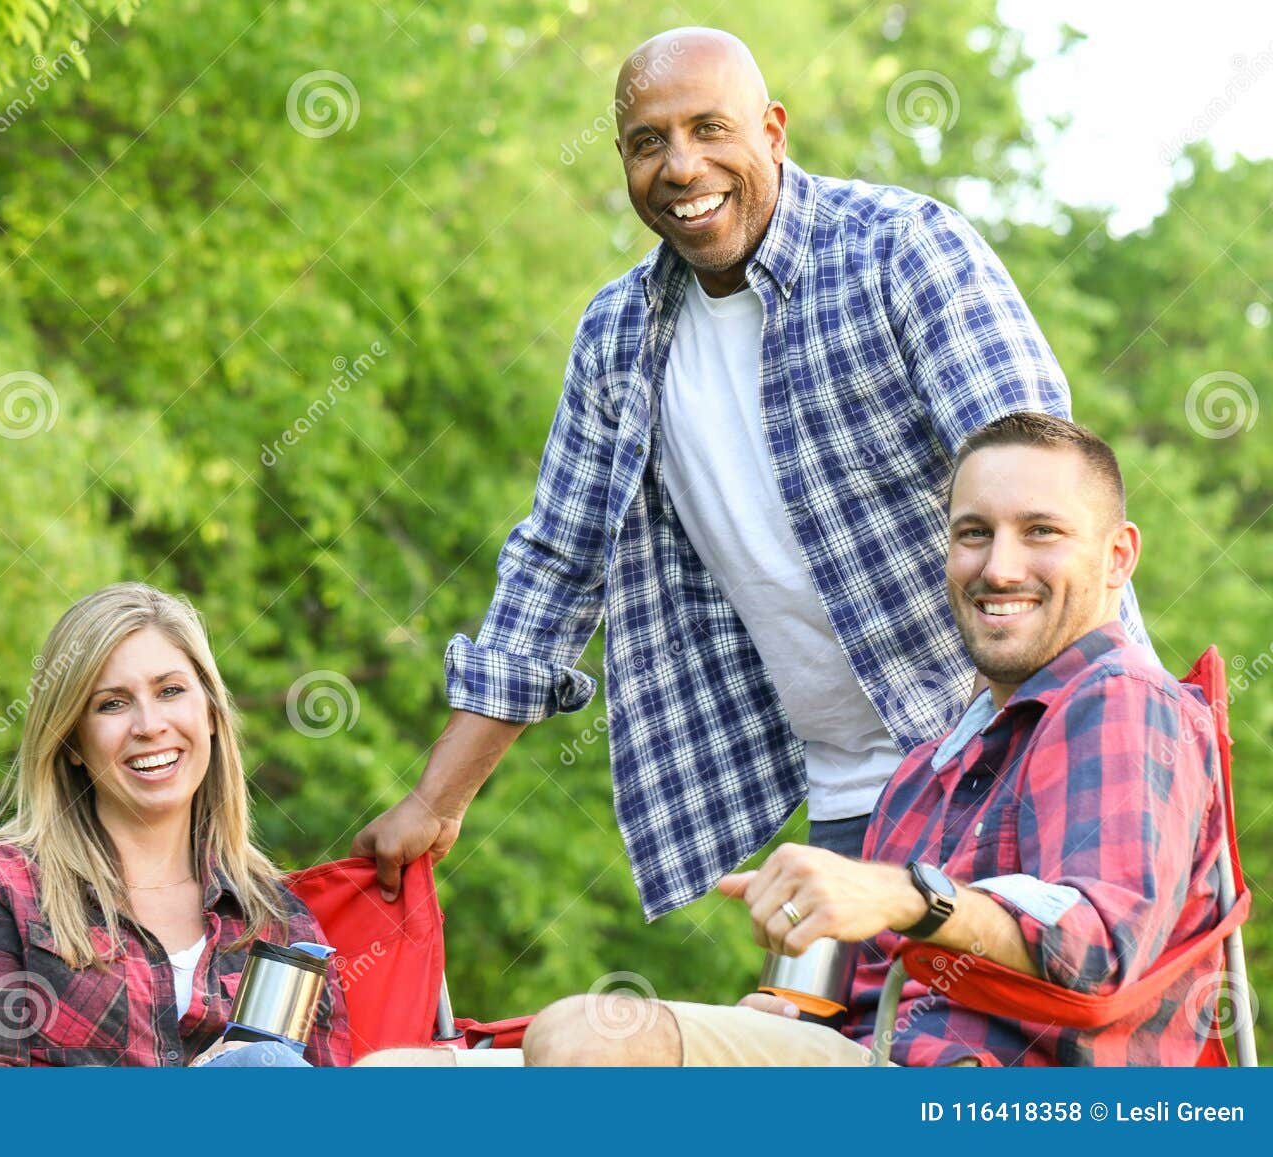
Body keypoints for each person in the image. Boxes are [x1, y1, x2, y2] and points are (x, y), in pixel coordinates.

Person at [354, 28, 1147, 921]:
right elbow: (556, 568)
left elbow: (1050, 502)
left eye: (709, 129)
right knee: (830, 1049)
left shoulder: (903, 252)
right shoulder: (618, 336)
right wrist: (436, 800)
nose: (682, 166)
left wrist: (1123, 747)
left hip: (1016, 769)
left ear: (772, 130)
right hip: (848, 801)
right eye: (649, 143)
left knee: (1024, 1042)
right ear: (623, 160)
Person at [517, 413, 1224, 1066]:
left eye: (1041, 530)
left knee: (588, 1034)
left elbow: (1099, 941)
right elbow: (843, 1010)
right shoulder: (920, 775)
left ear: (1117, 557)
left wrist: (913, 897)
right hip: (878, 1068)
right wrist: (786, 1012)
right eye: (974, 532)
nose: (999, 566)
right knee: (417, 1074)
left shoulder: (1125, 701)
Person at [0, 582, 350, 1067]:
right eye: (112, 703)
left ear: (210, 713)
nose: (149, 725)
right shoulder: (0, 886)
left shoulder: (278, 920)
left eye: (170, 691)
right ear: (73, 742)